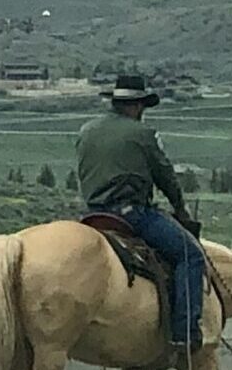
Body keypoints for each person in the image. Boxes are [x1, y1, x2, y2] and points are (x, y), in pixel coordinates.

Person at [75, 74, 204, 350]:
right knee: (189, 254)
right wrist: (180, 210)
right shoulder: (143, 134)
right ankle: (185, 332)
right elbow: (165, 175)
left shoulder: (86, 130)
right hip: (130, 214)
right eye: (142, 106)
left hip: (92, 214)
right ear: (136, 106)